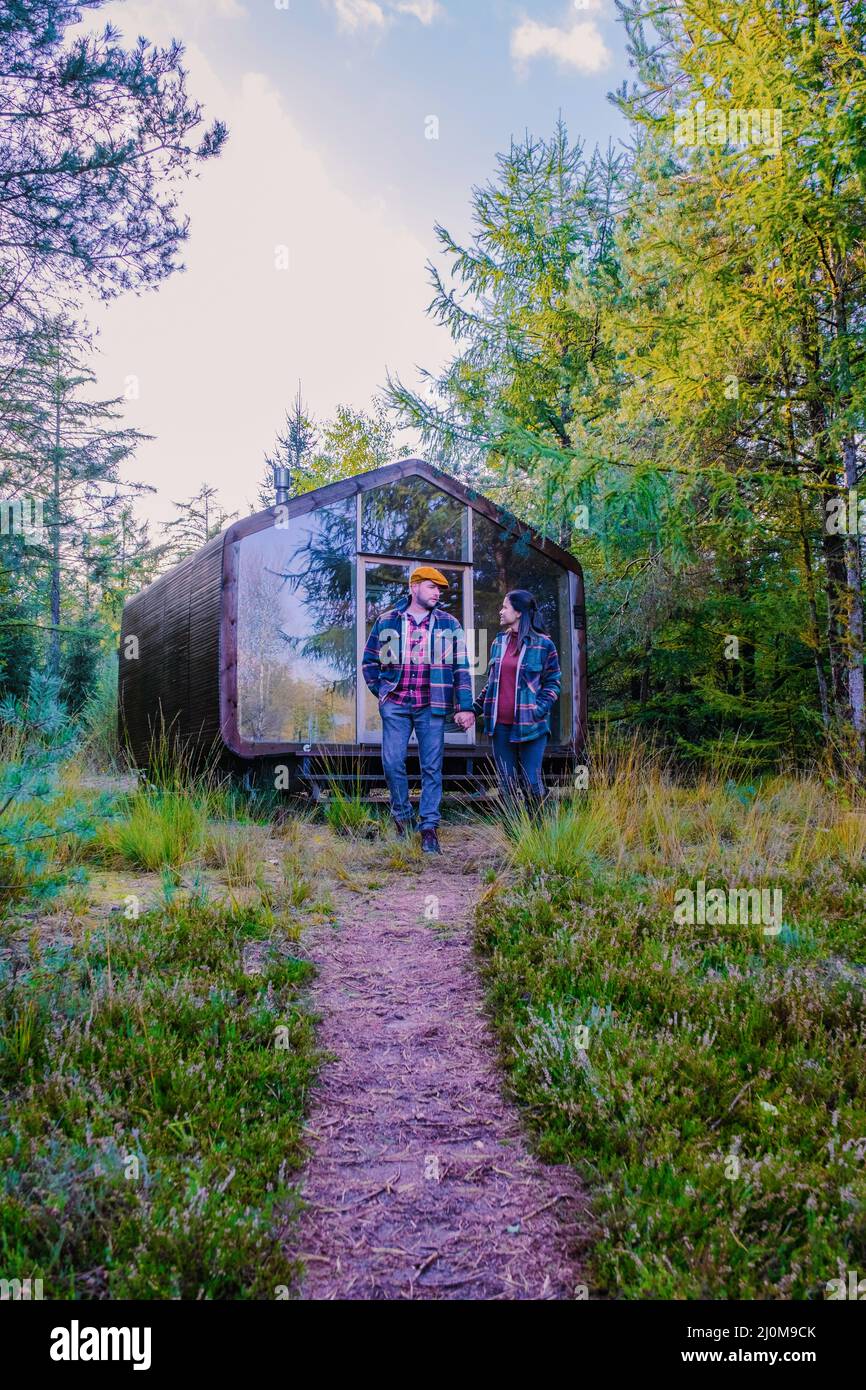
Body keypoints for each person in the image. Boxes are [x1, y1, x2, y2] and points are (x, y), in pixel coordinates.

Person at [362, 565, 474, 854]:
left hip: (432, 704)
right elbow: (369, 662)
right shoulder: (387, 621)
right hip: (396, 705)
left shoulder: (449, 624)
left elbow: (461, 667)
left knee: (431, 768)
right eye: (431, 587)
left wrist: (464, 706)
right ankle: (401, 819)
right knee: (392, 764)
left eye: (440, 589)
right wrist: (383, 692)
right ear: (414, 587)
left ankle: (428, 828)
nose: (437, 592)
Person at [469, 589, 561, 815]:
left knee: (531, 782)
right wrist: (474, 709)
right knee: (506, 785)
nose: (500, 611)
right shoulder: (498, 642)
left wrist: (537, 709)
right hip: (500, 726)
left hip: (531, 726)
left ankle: (538, 836)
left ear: (518, 612)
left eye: (505, 607)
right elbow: (492, 684)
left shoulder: (544, 645)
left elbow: (553, 683)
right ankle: (513, 838)